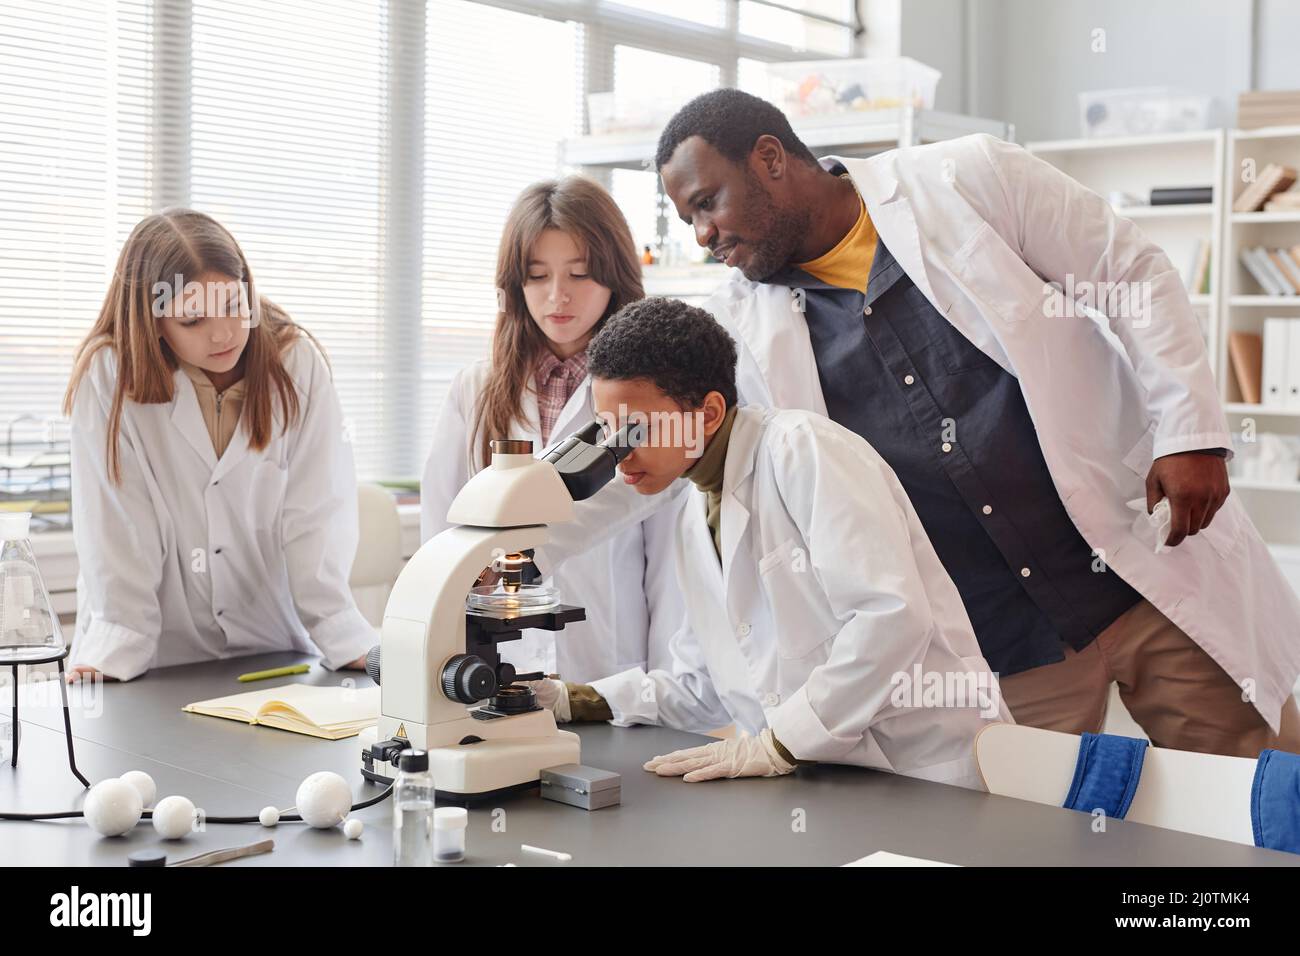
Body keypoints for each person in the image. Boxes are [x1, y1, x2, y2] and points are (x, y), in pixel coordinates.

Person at [645, 88, 1300, 757]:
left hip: (1142, 564)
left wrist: (1190, 433)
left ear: (770, 159)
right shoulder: (738, 332)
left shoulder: (967, 179)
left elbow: (1129, 271)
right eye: (688, 217)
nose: (702, 235)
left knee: (1261, 796)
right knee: (1031, 837)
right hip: (999, 641)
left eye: (707, 202)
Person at [531, 298, 1010, 789]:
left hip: (924, 772)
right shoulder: (696, 510)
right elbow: (704, 686)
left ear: (709, 412)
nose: (618, 454)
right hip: (827, 787)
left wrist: (779, 744)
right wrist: (575, 699)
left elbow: (892, 619)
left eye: (637, 430)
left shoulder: (805, 451)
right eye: (608, 431)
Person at [63, 209, 374, 681]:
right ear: (153, 321)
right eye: (192, 319)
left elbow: (316, 513)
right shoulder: (109, 374)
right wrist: (118, 641)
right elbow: (115, 524)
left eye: (233, 304)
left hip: (272, 649)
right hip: (156, 659)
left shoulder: (296, 363)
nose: (223, 332)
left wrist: (339, 628)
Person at [421, 177, 682, 684]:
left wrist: (664, 688)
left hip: (613, 669)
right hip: (491, 665)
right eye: (537, 276)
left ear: (614, 276)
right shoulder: (475, 389)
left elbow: (670, 561)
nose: (557, 297)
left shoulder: (648, 397)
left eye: (580, 274)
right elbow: (441, 532)